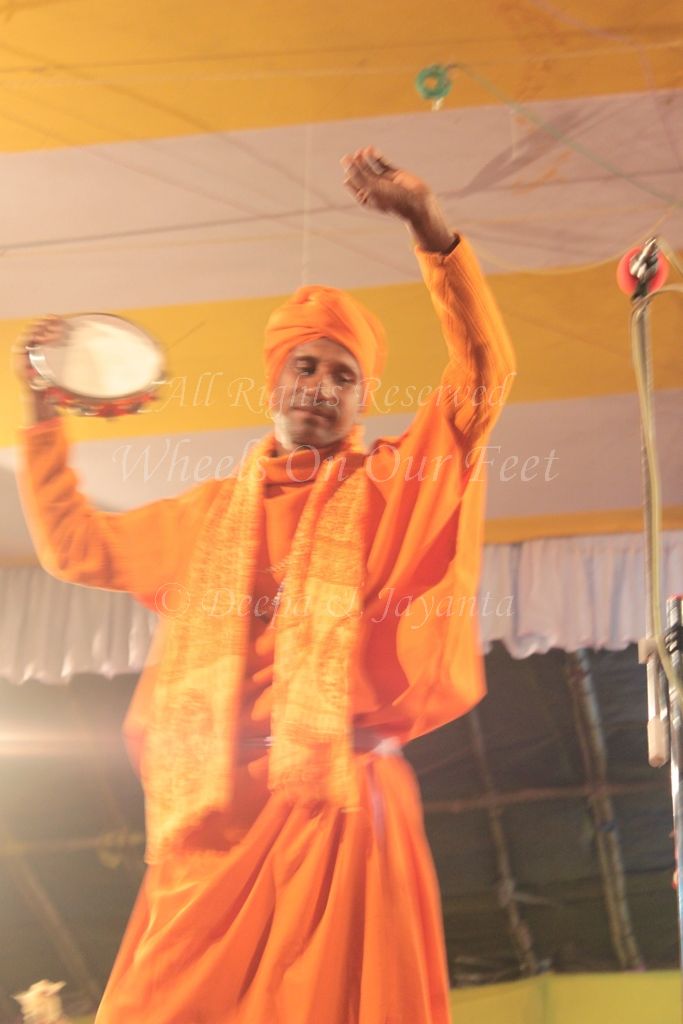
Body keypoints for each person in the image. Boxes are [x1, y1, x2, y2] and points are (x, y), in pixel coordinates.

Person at [16, 146, 515, 1024]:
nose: (321, 386)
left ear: (364, 400)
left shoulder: (393, 486)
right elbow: (71, 547)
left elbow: (481, 381)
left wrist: (431, 229)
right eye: (306, 367)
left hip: (338, 806)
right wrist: (44, 415)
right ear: (275, 380)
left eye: (344, 375)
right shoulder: (207, 517)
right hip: (209, 819)